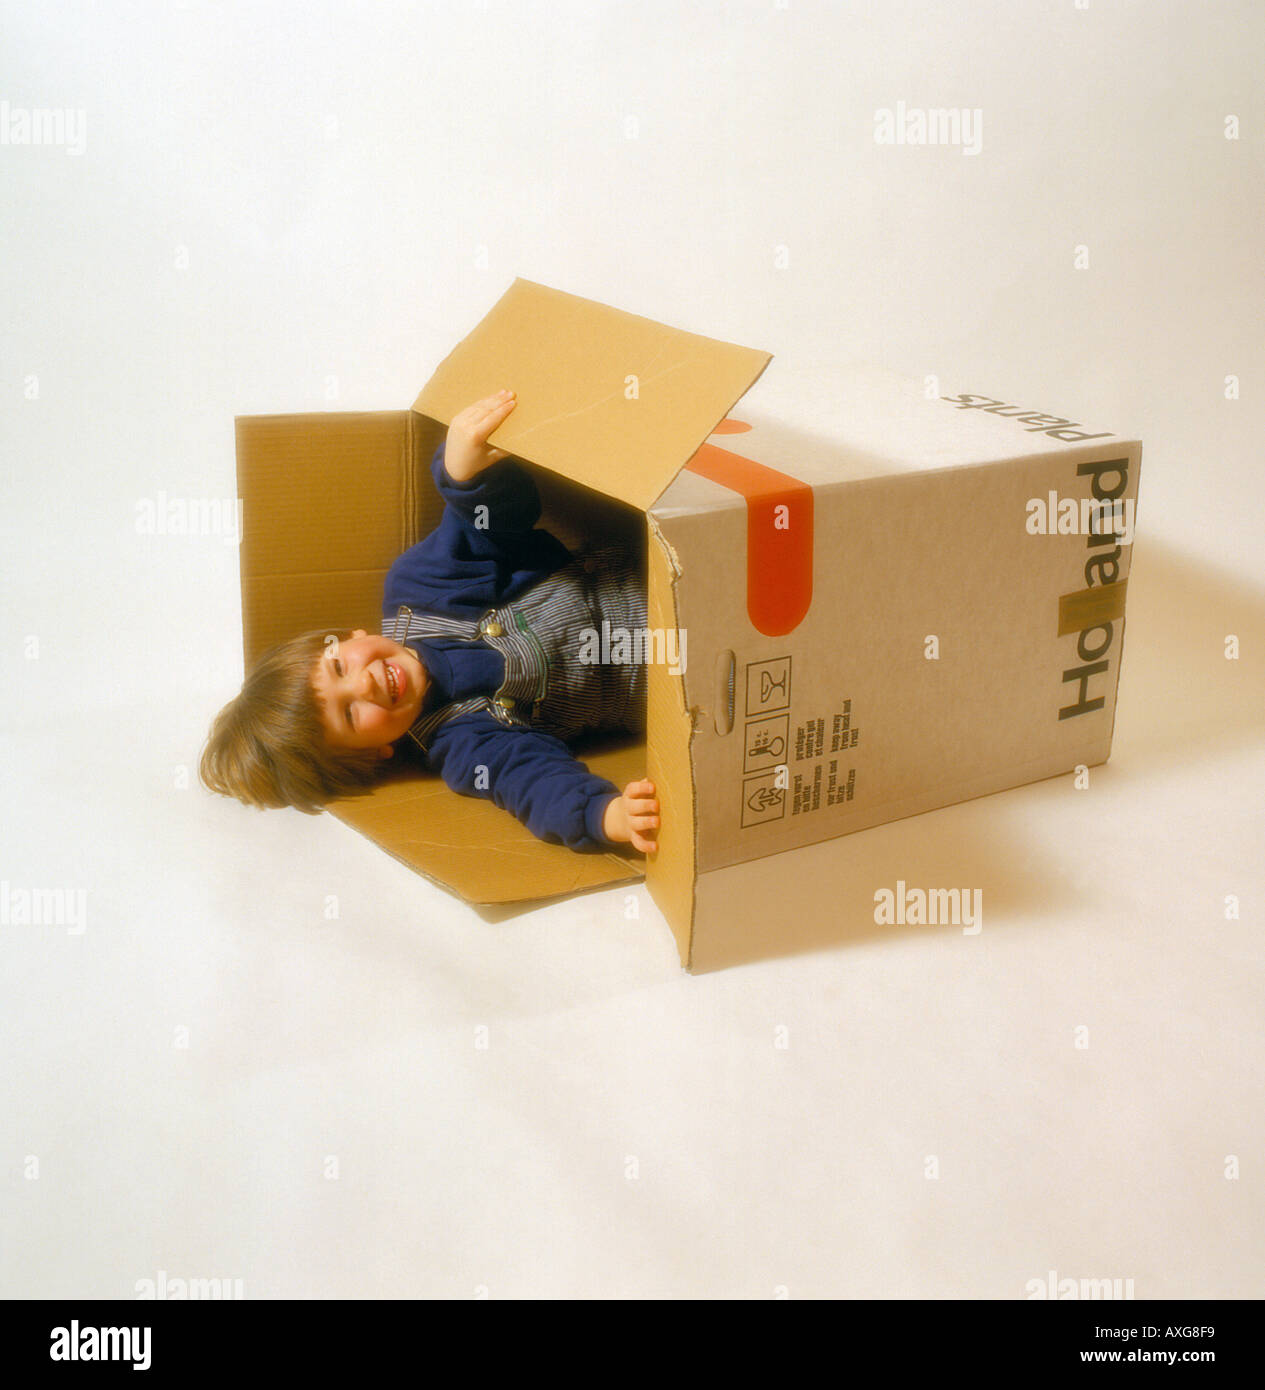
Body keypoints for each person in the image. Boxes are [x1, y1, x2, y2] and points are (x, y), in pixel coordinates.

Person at [200, 390, 660, 855]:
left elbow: (489, 526)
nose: (365, 685)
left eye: (339, 668)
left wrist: (462, 476)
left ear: (347, 637)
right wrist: (601, 815)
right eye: (350, 714)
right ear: (377, 752)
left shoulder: (420, 590)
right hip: (667, 679)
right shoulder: (461, 744)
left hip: (645, 571)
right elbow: (527, 780)